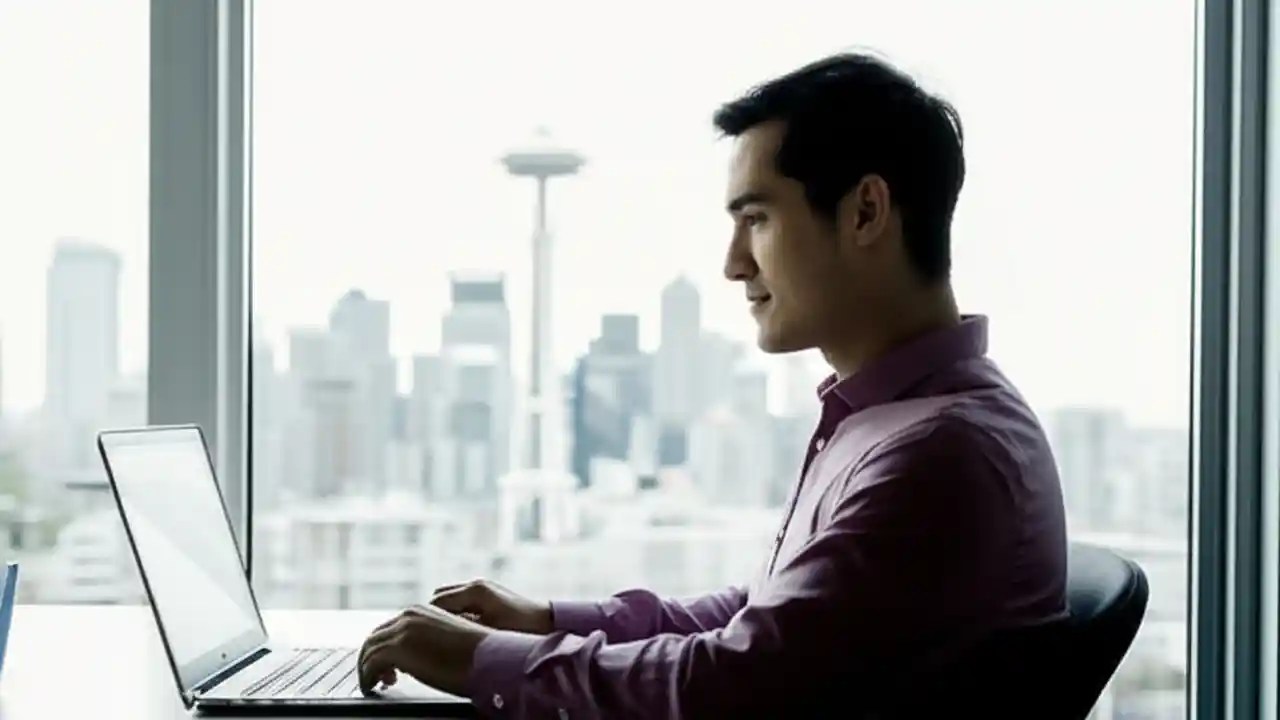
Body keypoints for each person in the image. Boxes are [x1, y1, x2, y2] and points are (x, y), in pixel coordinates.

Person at [357, 52, 1068, 718]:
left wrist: (482, 659)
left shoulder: (942, 452)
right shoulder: (888, 420)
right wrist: (546, 622)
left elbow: (734, 686)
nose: (733, 264)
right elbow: (763, 616)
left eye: (756, 219)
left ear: (866, 212)